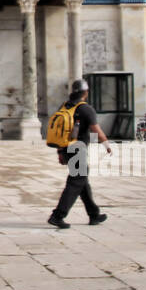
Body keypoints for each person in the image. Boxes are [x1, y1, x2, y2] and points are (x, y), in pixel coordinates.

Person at [47, 79, 110, 228]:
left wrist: (60, 152)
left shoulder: (65, 106)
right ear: (86, 93)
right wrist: (107, 145)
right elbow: (97, 131)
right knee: (76, 182)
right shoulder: (85, 109)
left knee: (82, 182)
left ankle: (94, 214)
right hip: (78, 150)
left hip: (66, 149)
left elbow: (60, 131)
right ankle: (58, 215)